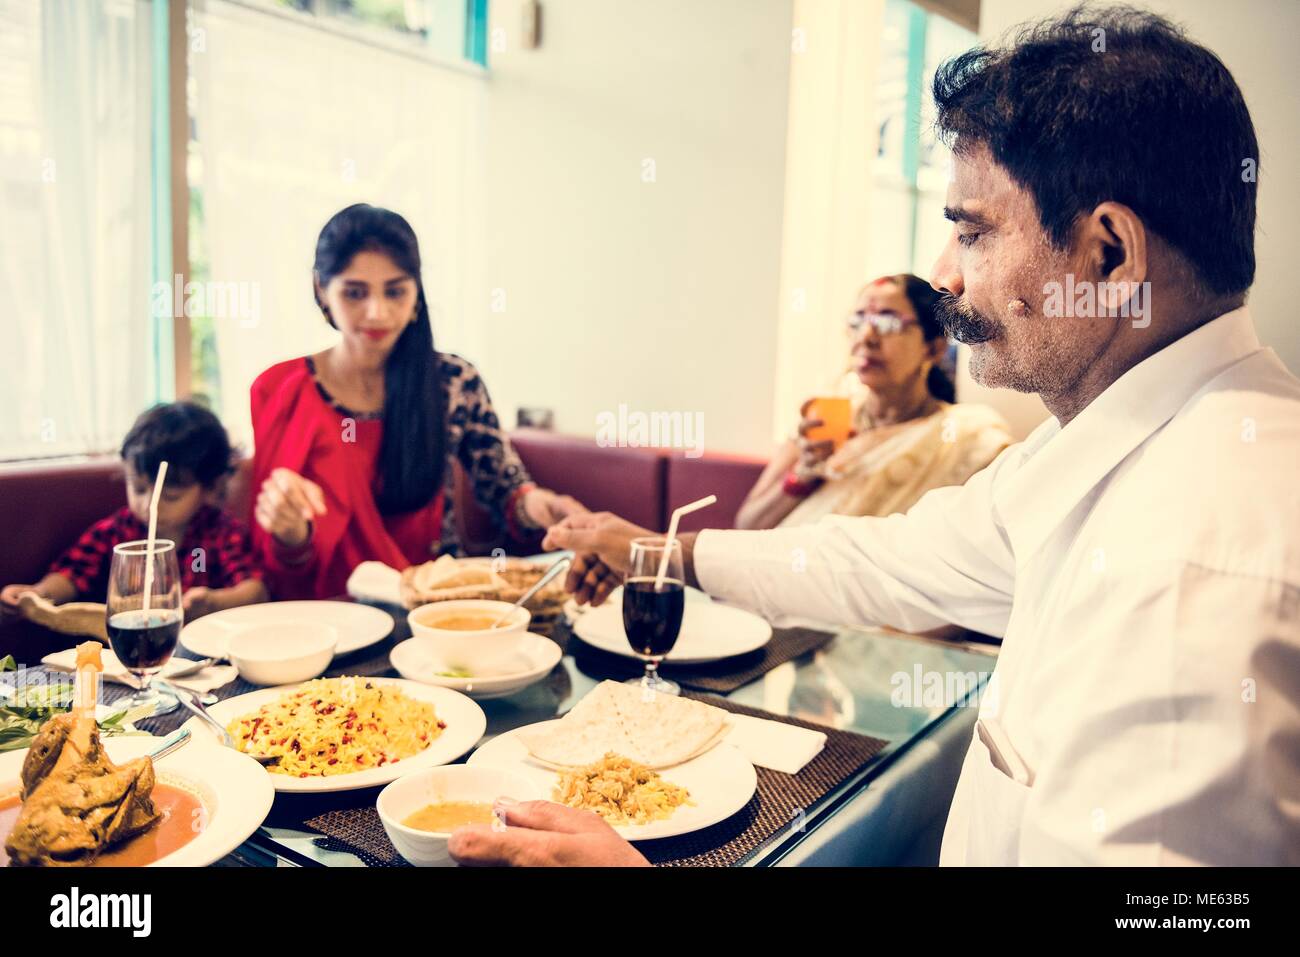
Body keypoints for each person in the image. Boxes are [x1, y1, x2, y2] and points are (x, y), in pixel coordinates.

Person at [447, 6, 1300, 867]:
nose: (945, 274)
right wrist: (658, 553)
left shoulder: (1191, 575)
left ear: (1109, 256)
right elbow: (888, 560)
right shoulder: (1114, 445)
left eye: (973, 230)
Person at [249, 204, 585, 600]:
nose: (377, 312)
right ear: (320, 289)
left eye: (395, 291)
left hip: (437, 606)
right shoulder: (279, 389)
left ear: (416, 292)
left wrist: (543, 506)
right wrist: (290, 533)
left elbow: (506, 491)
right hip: (327, 615)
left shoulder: (454, 383)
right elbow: (278, 566)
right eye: (355, 293)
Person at [736, 273, 1010, 530]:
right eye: (857, 322)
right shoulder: (828, 419)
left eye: (888, 323)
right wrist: (804, 475)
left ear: (934, 348)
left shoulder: (968, 438)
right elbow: (747, 524)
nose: (866, 338)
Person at [0, 402, 267, 620]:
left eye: (170, 496)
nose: (149, 504)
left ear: (210, 488)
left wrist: (213, 602)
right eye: (139, 488)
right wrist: (38, 593)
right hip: (123, 655)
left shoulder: (220, 534)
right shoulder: (117, 532)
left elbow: (255, 591)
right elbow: (72, 573)